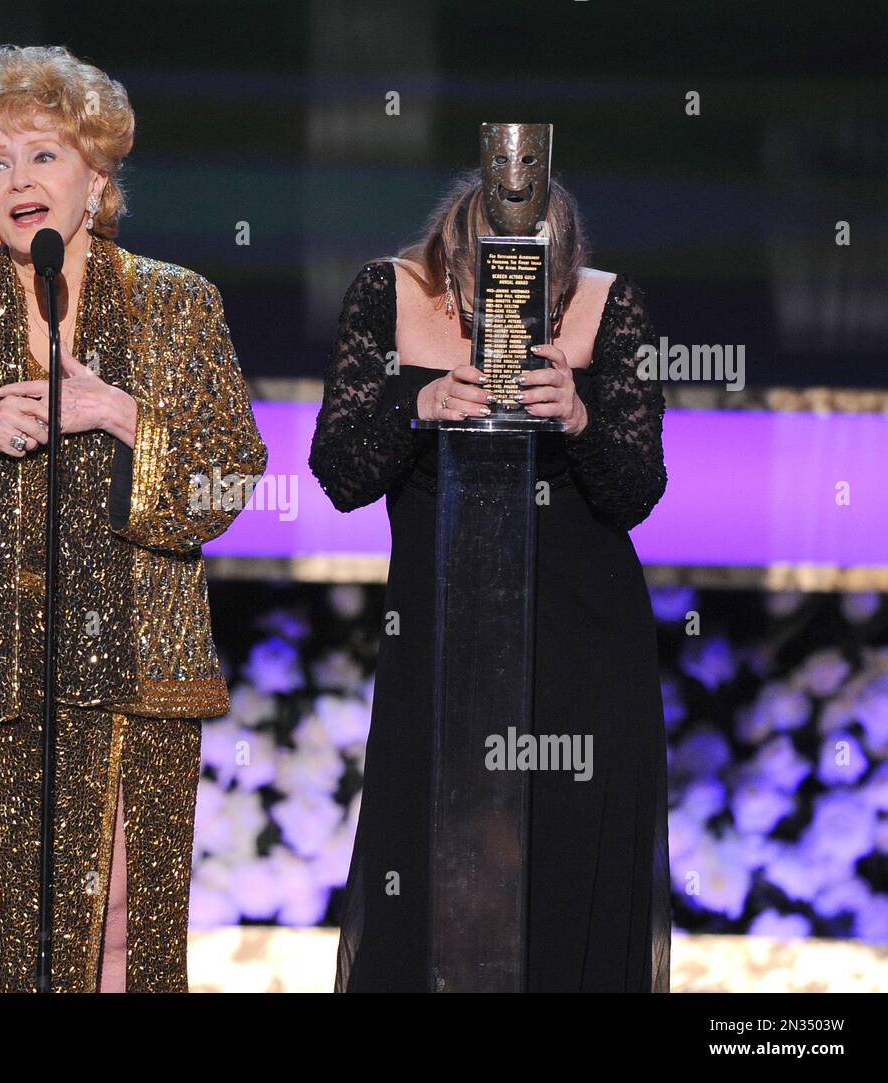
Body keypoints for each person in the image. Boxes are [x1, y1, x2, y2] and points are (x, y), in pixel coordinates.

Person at [0, 44, 267, 993]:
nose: (18, 180)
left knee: (119, 929)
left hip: (132, 673)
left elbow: (229, 476)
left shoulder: (176, 303)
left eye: (43, 155)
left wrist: (119, 414)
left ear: (96, 175)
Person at [310, 168, 671, 992]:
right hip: (439, 644)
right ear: (456, 250)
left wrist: (579, 419)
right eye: (487, 272)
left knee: (567, 868)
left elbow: (636, 491)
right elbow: (337, 471)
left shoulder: (609, 305)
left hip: (583, 647)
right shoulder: (388, 292)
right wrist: (420, 410)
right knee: (428, 865)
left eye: (543, 273)